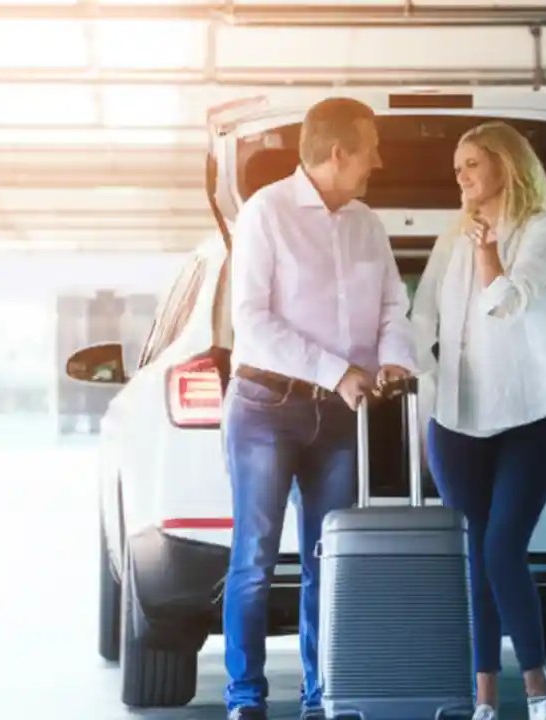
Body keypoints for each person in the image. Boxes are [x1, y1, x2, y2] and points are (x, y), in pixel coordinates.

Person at [222, 96, 416, 720]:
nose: (378, 162)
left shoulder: (367, 224)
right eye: (371, 149)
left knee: (328, 561)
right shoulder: (266, 214)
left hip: (338, 418)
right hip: (265, 408)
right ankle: (246, 699)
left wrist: (393, 359)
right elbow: (251, 321)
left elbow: (393, 307)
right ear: (340, 153)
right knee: (254, 558)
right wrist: (339, 372)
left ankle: (320, 696)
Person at [411, 120, 546, 720]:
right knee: (477, 554)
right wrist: (407, 366)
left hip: (530, 412)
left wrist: (486, 249)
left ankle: (538, 687)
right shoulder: (451, 238)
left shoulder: (538, 231)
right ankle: (484, 699)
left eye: (473, 163)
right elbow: (423, 315)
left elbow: (508, 300)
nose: (462, 176)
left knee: (503, 548)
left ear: (507, 165)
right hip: (456, 416)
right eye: (458, 167)